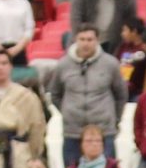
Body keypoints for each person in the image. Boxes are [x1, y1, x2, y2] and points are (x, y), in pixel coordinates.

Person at [51, 26, 131, 156]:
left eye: (89, 39)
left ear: (97, 41)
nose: (85, 44)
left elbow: (121, 94)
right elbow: (55, 94)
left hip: (104, 131)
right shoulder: (63, 64)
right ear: (75, 40)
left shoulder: (111, 63)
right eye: (82, 39)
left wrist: (114, 119)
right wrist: (68, 111)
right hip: (72, 131)